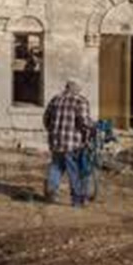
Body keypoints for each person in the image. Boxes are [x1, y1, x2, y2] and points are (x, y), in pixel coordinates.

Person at [43, 78, 94, 207]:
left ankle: (51, 191)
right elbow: (84, 122)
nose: (79, 91)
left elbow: (46, 119)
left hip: (56, 141)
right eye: (79, 88)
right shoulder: (80, 101)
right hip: (72, 143)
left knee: (56, 166)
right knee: (74, 170)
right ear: (75, 88)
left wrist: (53, 131)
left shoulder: (55, 100)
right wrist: (93, 128)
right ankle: (77, 200)